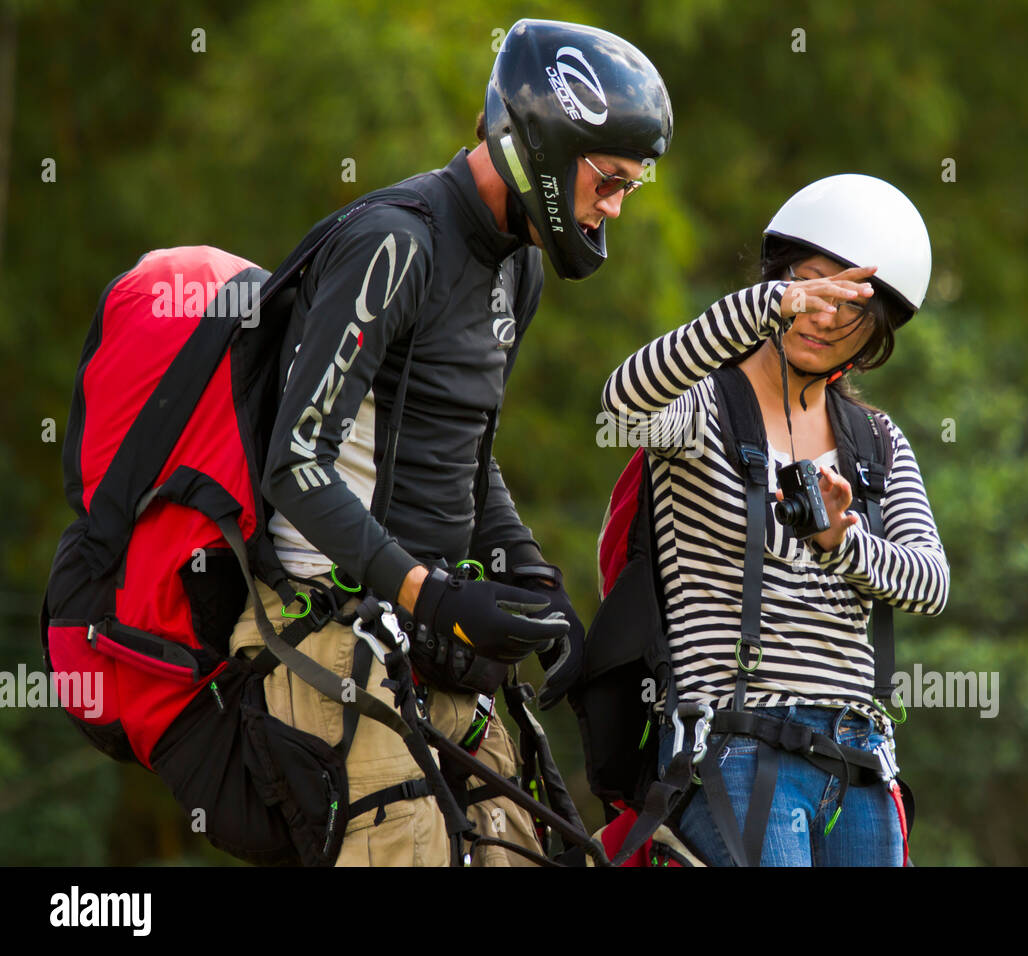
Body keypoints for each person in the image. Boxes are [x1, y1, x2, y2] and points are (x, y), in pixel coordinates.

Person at [227, 18, 672, 866]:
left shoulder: (519, 262)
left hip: (433, 651)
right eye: (608, 180)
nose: (613, 208)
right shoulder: (394, 241)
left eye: (630, 189)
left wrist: (533, 576)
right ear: (545, 143)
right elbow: (297, 462)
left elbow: (467, 449)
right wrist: (432, 594)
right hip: (326, 632)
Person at [599, 174, 949, 866]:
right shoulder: (702, 409)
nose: (823, 317)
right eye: (810, 288)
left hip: (862, 759)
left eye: (850, 305)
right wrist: (762, 307)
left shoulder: (878, 441)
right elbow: (620, 404)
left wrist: (841, 541)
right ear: (777, 282)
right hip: (733, 745)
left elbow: (931, 583)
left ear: (876, 330)